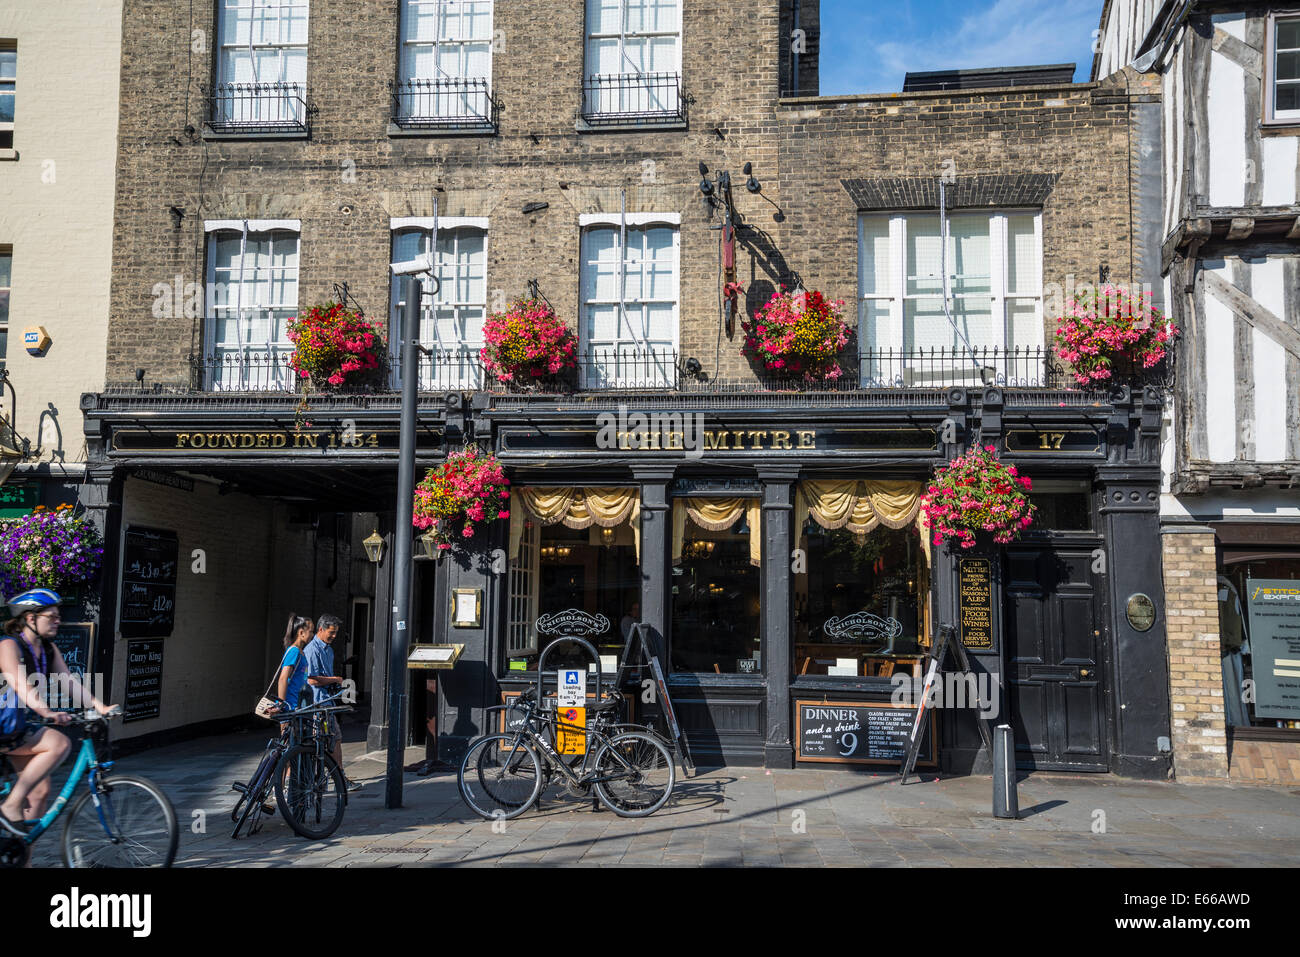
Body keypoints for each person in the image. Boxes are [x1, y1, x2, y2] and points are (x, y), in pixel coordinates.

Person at [0, 589, 114, 836]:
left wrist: (100, 707)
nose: (57, 620)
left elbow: (69, 682)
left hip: (13, 729)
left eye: (58, 616)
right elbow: (20, 683)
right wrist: (47, 712)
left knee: (39, 793)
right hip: (4, 725)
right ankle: (9, 805)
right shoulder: (8, 646)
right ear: (30, 619)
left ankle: (19, 858)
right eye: (51, 616)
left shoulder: (48, 649)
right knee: (59, 743)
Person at [303, 614, 361, 791]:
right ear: (320, 630)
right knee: (319, 741)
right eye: (331, 632)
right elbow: (311, 679)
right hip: (316, 704)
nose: (334, 636)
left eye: (336, 633)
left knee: (334, 739)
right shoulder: (312, 650)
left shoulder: (328, 650)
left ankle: (337, 778)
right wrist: (335, 680)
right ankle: (327, 779)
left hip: (327, 703)